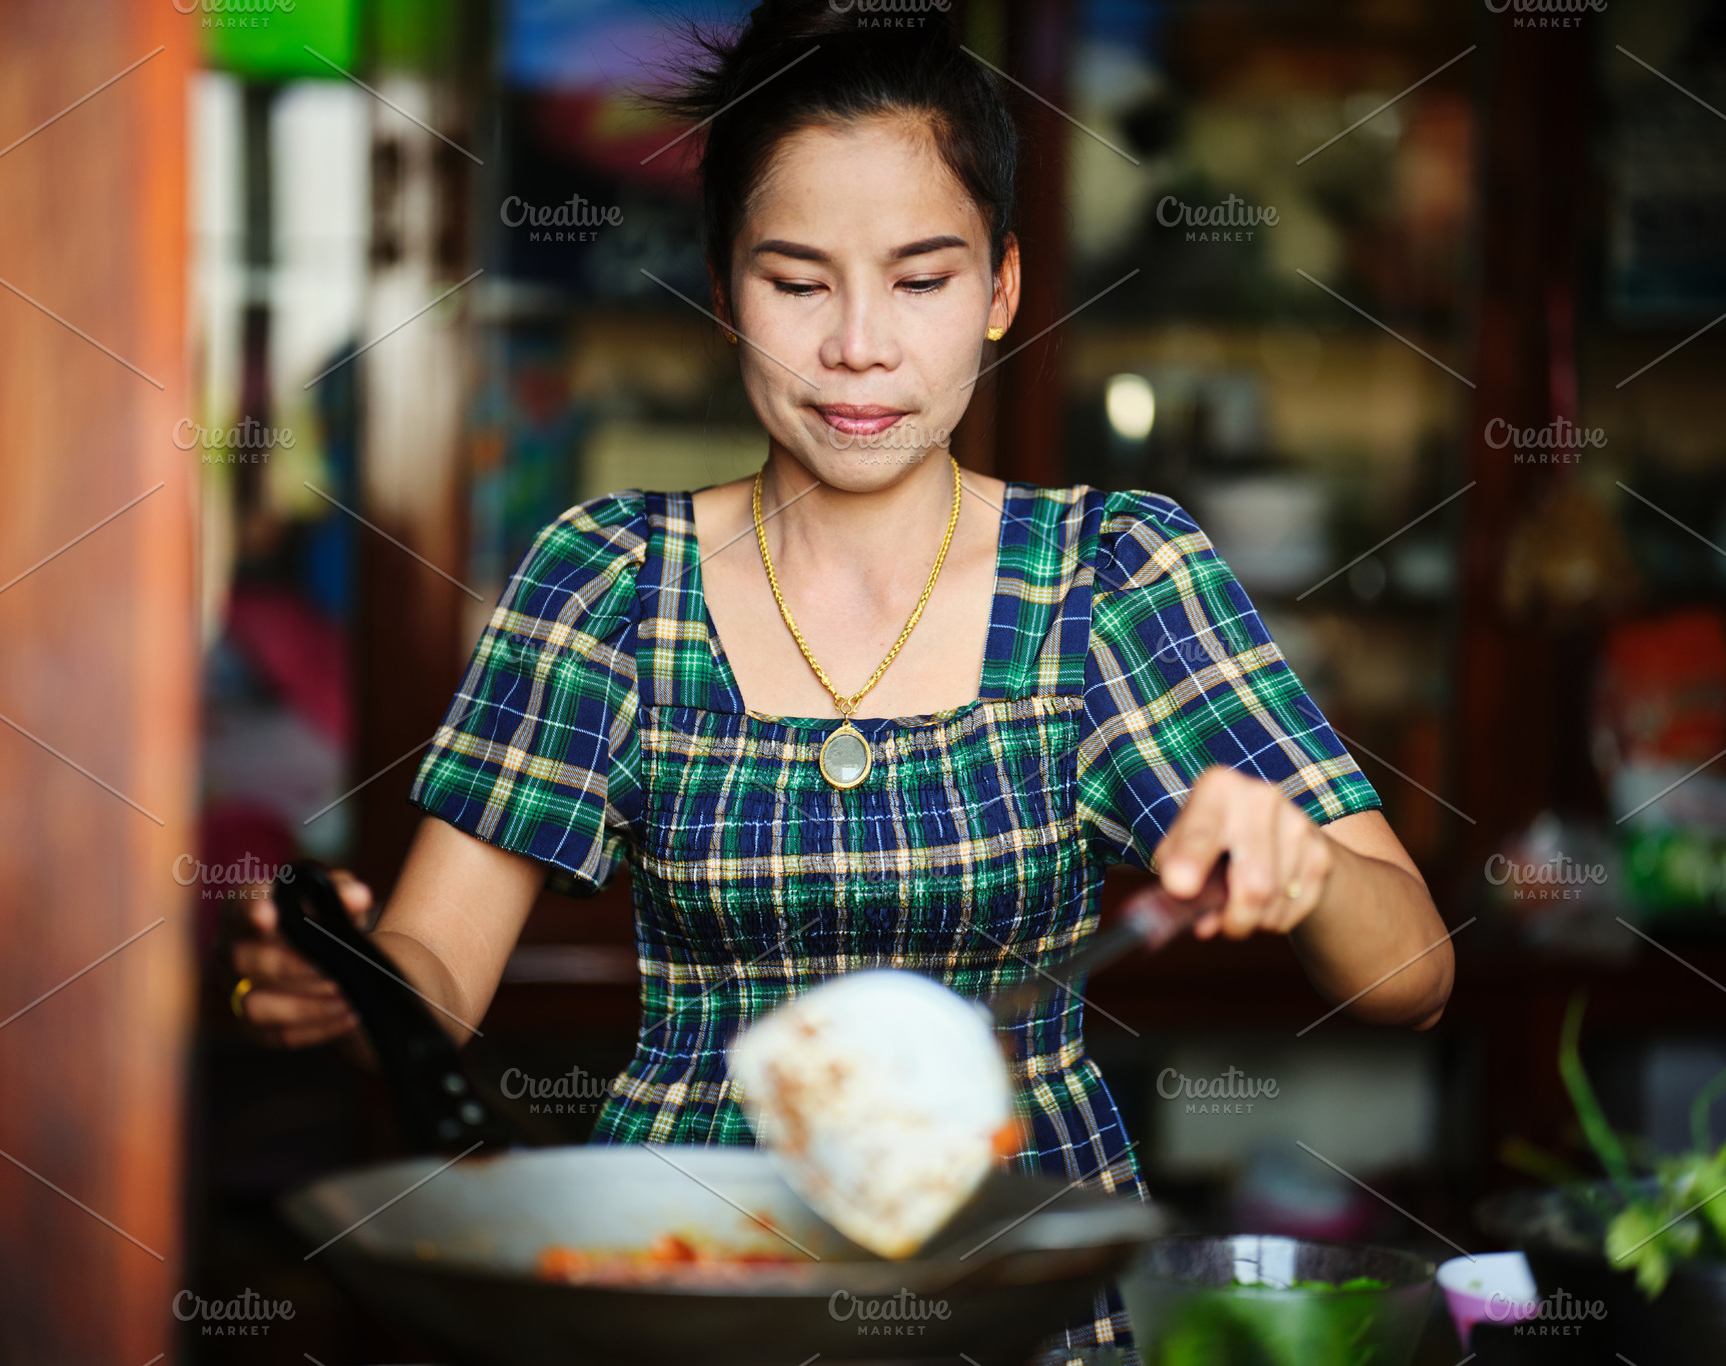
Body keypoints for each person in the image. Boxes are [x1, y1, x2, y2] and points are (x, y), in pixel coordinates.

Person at [221, 5, 1454, 1361]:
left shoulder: (1112, 577)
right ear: (721, 281)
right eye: (798, 282)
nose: (859, 345)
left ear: (1001, 286)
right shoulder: (610, 580)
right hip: (685, 1278)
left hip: (1015, 1291)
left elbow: (1414, 971)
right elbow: (436, 974)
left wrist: (1312, 870)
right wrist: (353, 988)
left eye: (921, 280)